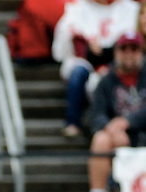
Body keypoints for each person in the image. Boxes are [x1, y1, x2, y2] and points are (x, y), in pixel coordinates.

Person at [82, 32, 146, 192]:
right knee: (101, 139)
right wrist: (112, 128)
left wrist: (128, 122)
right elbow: (95, 115)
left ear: (141, 52)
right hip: (117, 139)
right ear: (116, 52)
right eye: (123, 48)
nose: (128, 54)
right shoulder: (105, 81)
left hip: (141, 135)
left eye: (134, 49)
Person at [52, 0, 139, 138]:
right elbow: (63, 42)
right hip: (86, 61)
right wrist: (87, 45)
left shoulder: (129, 8)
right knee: (78, 73)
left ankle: (114, 125)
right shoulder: (78, 7)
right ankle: (73, 122)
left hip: (118, 64)